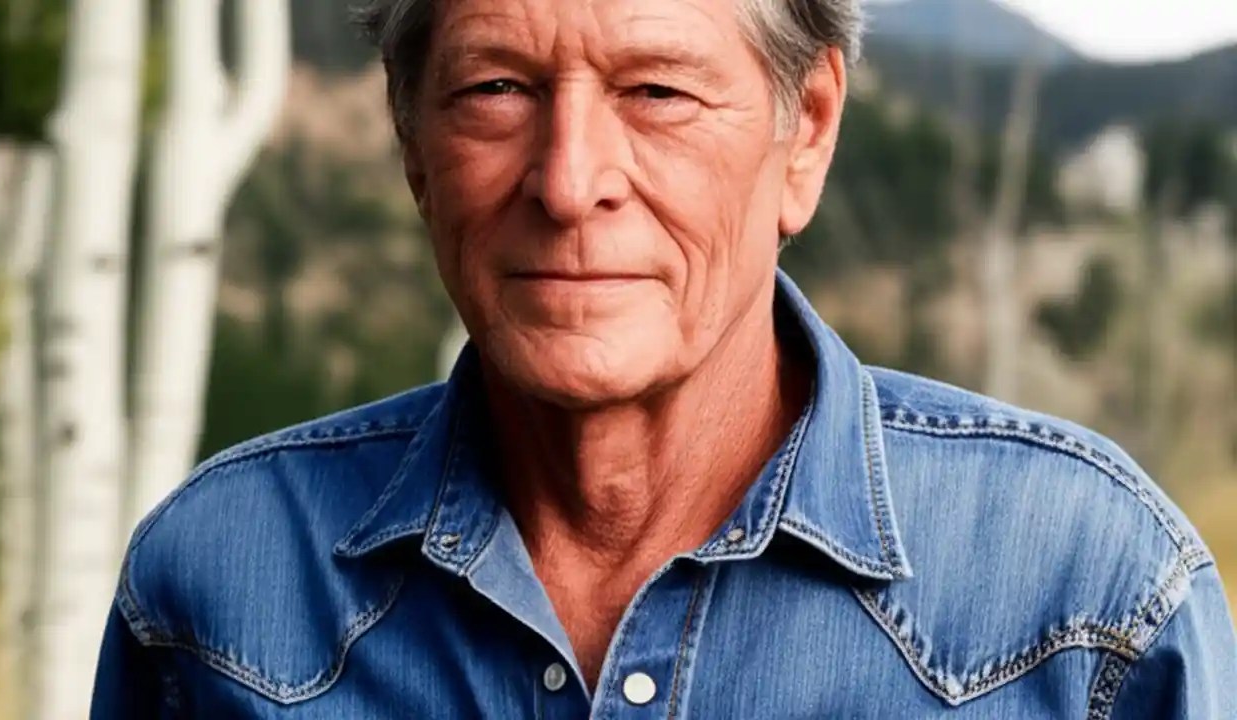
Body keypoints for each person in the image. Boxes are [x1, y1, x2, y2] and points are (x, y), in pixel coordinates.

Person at [91, 0, 1237, 716]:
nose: (568, 179)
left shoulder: (1087, 599)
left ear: (808, 131)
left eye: (656, 92)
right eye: (497, 88)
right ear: (408, 137)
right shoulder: (219, 589)